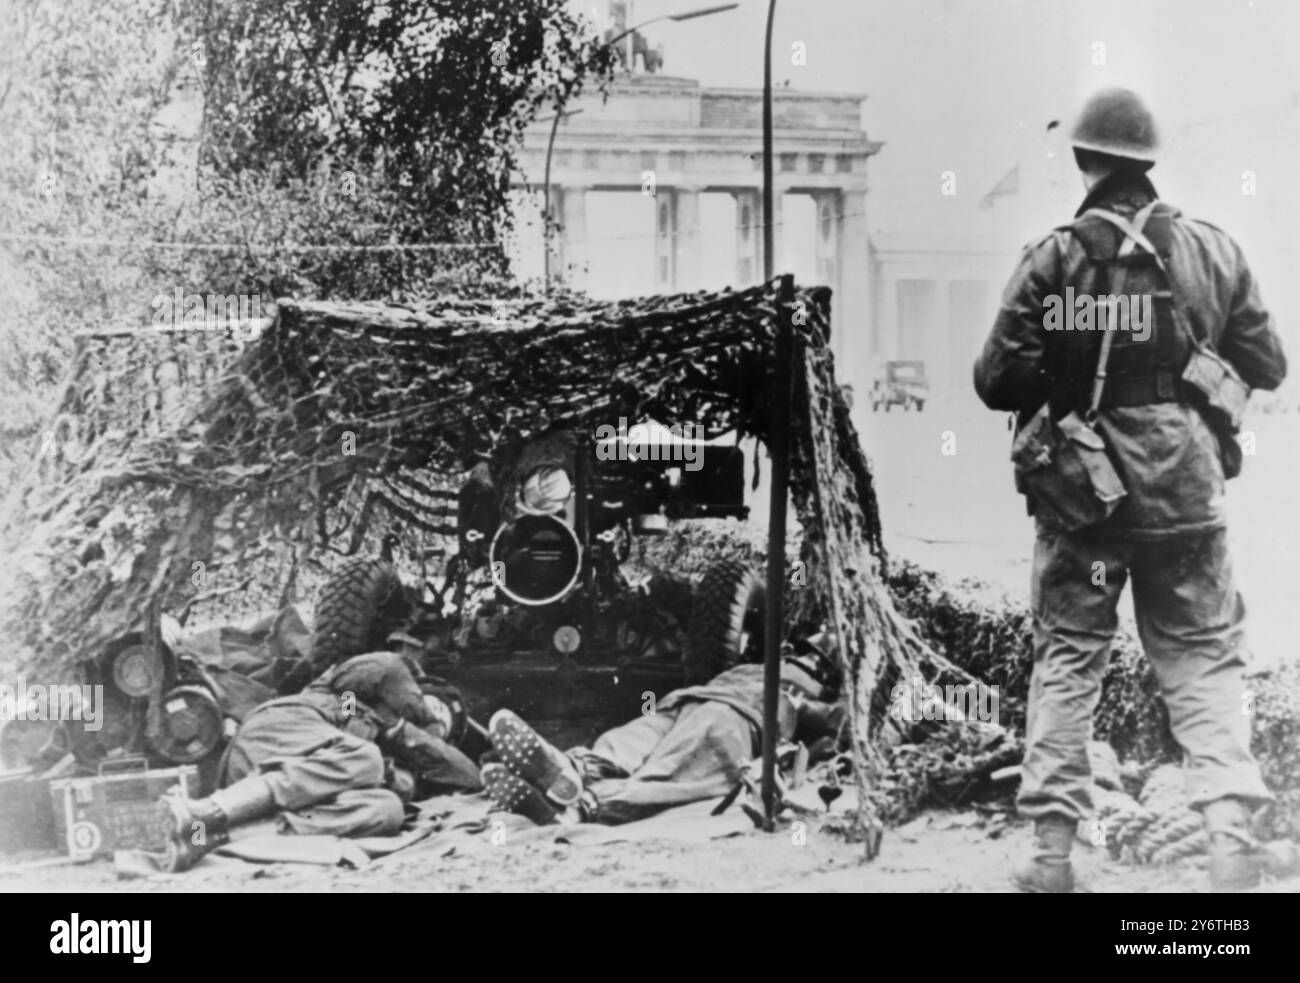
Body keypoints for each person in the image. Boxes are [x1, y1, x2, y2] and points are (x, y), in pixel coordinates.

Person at [974, 88, 1288, 891]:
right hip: (1186, 493)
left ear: (1083, 161)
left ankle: (1049, 860)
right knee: (1204, 661)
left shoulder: (1054, 259)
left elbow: (996, 377)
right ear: (1148, 160)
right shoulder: (1213, 252)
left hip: (1087, 498)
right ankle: (1230, 839)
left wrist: (1071, 373)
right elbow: (1269, 362)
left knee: (1070, 663)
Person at [156, 650, 481, 871]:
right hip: (273, 736)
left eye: (444, 724)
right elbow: (385, 669)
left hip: (282, 792)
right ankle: (207, 809)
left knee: (387, 809)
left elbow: (470, 778)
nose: (431, 717)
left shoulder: (383, 760)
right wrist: (419, 723)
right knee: (367, 758)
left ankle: (208, 838)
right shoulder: (362, 684)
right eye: (435, 706)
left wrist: (416, 749)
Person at [479, 637, 844, 826]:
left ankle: (584, 807)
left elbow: (837, 727)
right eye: (807, 652)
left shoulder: (811, 693)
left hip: (737, 715)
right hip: (687, 702)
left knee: (672, 769)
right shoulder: (761, 664)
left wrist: (801, 708)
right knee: (623, 741)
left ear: (826, 675)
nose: (807, 659)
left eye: (817, 659)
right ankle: (568, 771)